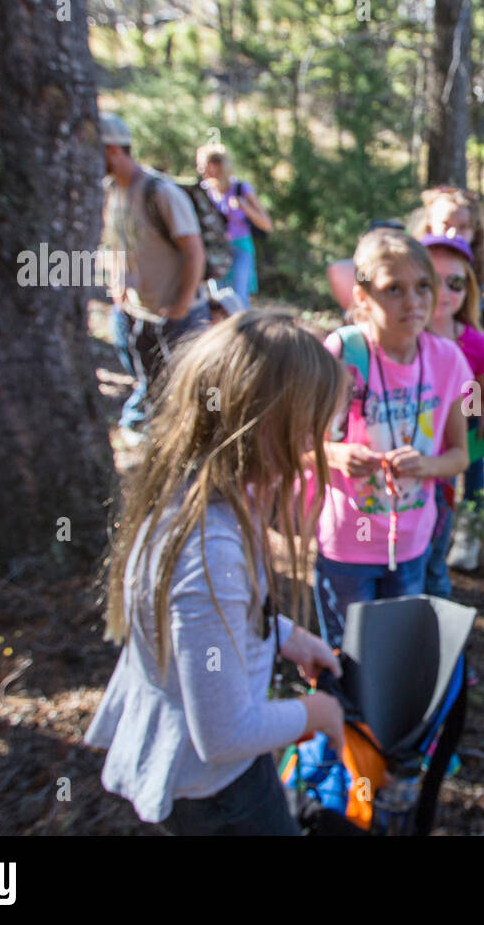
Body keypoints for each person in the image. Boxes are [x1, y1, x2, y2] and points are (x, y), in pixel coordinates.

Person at [84, 310, 352, 835]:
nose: (318, 448)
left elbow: (210, 633)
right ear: (271, 429)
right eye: (313, 433)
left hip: (211, 776)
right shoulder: (209, 552)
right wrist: (316, 712)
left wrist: (285, 635)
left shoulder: (206, 497)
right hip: (221, 794)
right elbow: (225, 733)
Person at [314, 228, 471, 644]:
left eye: (423, 287)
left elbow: (459, 456)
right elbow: (299, 440)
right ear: (362, 297)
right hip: (348, 542)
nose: (414, 302)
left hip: (411, 545)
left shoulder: (447, 360)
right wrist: (337, 454)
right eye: (394, 289)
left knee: (393, 654)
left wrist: (427, 466)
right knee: (346, 655)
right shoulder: (344, 353)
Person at [101, 113, 209, 417]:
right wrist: (117, 284)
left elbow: (194, 252)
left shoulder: (160, 192)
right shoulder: (110, 192)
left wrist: (181, 305)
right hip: (139, 312)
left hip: (179, 314)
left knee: (190, 389)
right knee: (152, 383)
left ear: (112, 150)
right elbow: (116, 243)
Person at [418, 234, 484, 597]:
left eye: (456, 283)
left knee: (436, 540)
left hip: (452, 444)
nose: (445, 292)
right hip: (409, 444)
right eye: (432, 281)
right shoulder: (404, 338)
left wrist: (483, 420)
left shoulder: (476, 342)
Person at [412, 187, 484, 370]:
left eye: (455, 283)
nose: (453, 234)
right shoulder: (409, 267)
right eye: (446, 224)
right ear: (430, 224)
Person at [197, 143, 273, 308]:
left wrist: (244, 207)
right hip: (215, 251)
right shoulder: (204, 192)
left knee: (238, 301)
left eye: (204, 165)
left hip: (240, 248)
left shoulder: (240, 189)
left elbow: (266, 224)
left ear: (217, 165)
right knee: (218, 303)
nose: (200, 170)